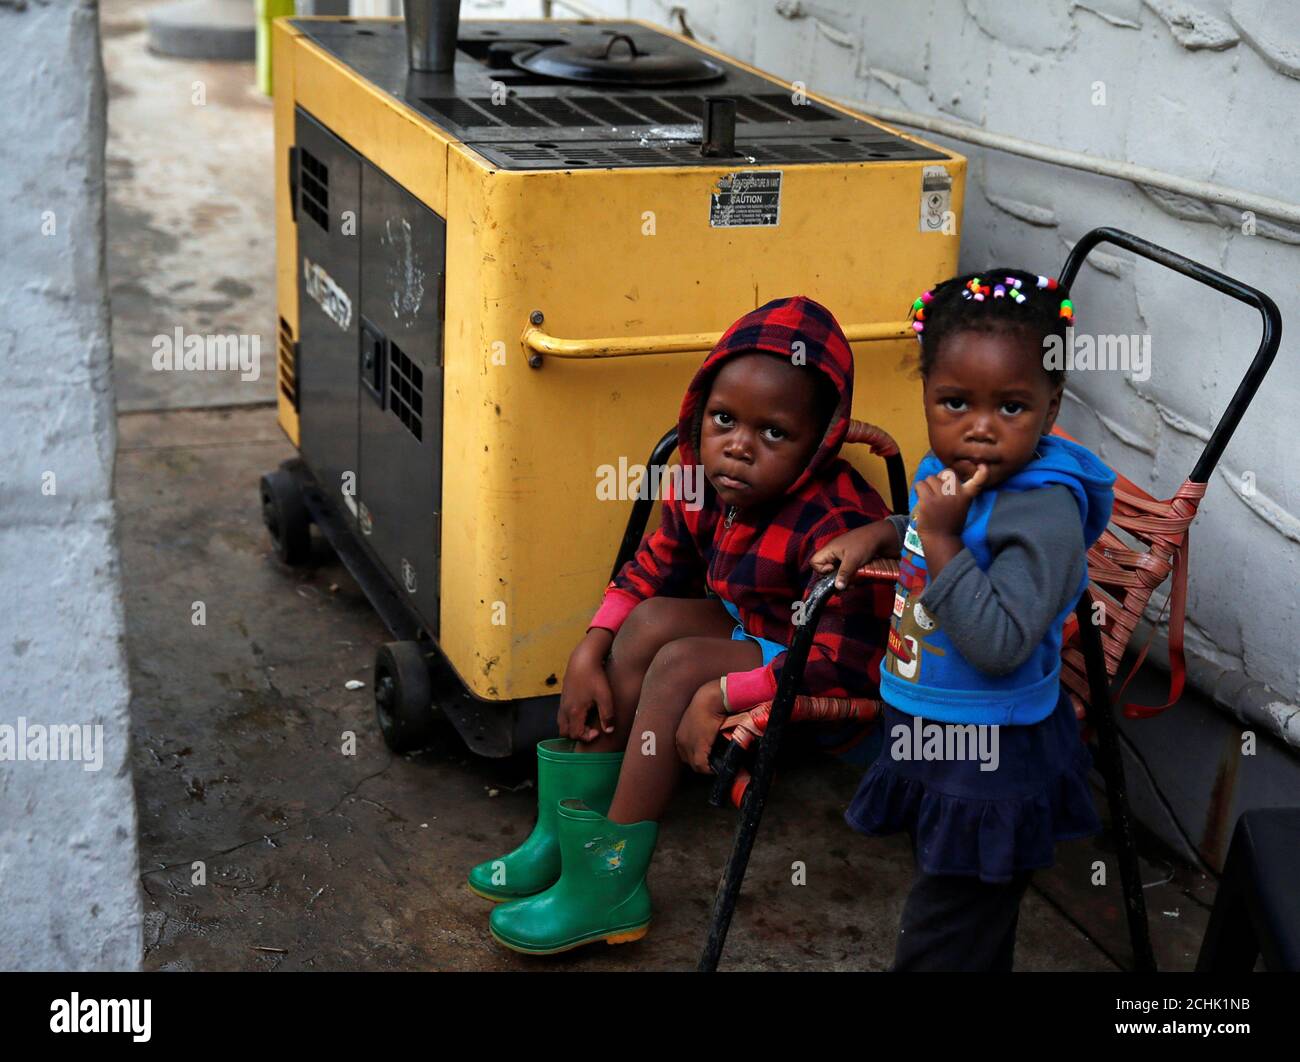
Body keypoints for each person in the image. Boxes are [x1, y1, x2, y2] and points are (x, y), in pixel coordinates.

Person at [467, 295, 895, 954]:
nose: (738, 449)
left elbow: (845, 662)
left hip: (806, 657)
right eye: (724, 420)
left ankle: (610, 884)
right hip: (750, 622)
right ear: (702, 409)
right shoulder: (698, 476)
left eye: (774, 433)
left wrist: (726, 694)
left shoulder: (833, 518)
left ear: (820, 443)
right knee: (649, 622)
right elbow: (652, 566)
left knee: (679, 666)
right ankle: (561, 835)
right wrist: (591, 647)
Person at [812, 270, 1116, 971]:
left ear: (1051, 405)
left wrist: (940, 537)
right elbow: (937, 525)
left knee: (945, 933)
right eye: (954, 403)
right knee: (962, 921)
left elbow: (1002, 643)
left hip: (992, 756)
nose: (978, 429)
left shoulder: (1044, 513)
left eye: (1011, 407)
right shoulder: (956, 470)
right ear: (926, 395)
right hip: (933, 730)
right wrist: (888, 532)